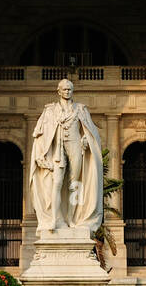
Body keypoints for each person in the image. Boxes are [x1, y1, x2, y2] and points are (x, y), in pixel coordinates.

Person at [29, 79, 104, 237]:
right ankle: (55, 219)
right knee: (56, 183)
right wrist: (40, 154)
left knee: (74, 184)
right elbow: (39, 133)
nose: (67, 92)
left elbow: (92, 131)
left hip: (76, 147)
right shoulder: (50, 110)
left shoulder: (81, 109)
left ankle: (72, 219)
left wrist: (86, 138)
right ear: (59, 91)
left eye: (70, 89)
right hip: (58, 149)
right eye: (64, 89)